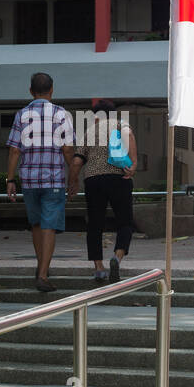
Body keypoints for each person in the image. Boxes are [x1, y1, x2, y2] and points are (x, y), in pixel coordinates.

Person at [5, 72, 74, 292]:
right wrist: (73, 177)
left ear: (30, 91)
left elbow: (15, 150)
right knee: (49, 226)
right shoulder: (61, 114)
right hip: (53, 179)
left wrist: (10, 179)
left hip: (29, 180)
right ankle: (43, 274)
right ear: (52, 90)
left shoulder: (21, 115)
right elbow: (67, 149)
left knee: (36, 224)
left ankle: (40, 267)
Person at [69, 98, 137, 283]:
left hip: (93, 181)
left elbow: (76, 161)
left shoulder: (90, 132)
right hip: (119, 178)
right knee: (125, 222)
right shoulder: (120, 125)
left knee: (95, 225)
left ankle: (99, 268)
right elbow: (129, 136)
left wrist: (73, 181)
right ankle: (117, 257)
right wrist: (134, 163)